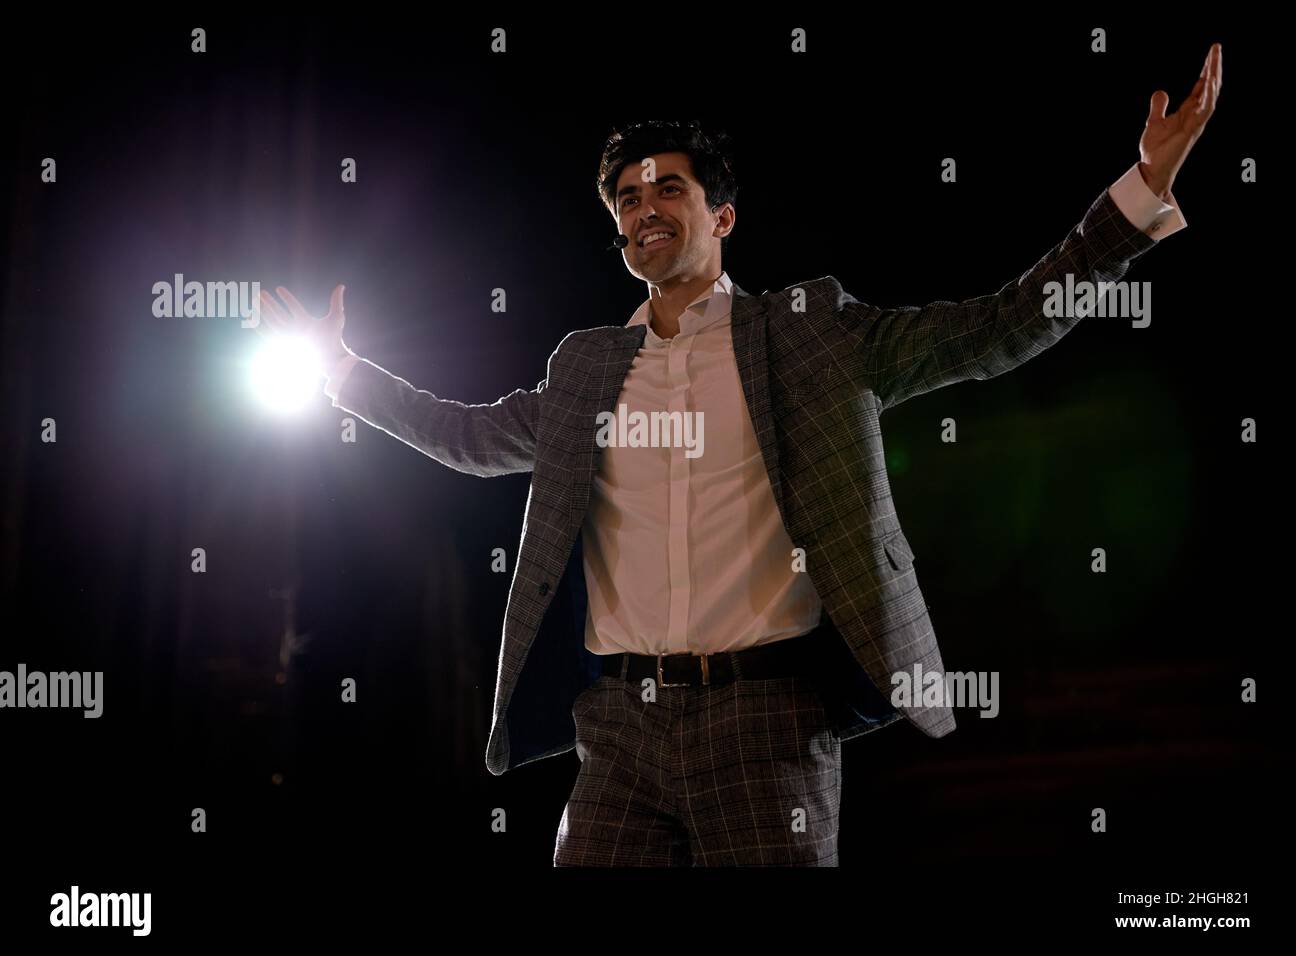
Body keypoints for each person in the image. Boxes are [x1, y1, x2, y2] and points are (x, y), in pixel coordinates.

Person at [253, 43, 1221, 866]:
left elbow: (996, 329)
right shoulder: (587, 367)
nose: (643, 205)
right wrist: (342, 376)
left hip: (764, 720)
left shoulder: (808, 333)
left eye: (667, 186)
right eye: (625, 196)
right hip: (620, 725)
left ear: (721, 216)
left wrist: (1135, 200)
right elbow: (465, 436)